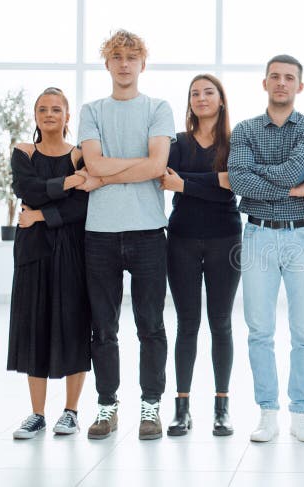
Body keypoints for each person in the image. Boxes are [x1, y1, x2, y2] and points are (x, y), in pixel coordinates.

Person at [76, 30, 175, 440]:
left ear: (142, 64)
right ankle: (106, 405)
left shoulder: (158, 107)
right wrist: (131, 166)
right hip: (99, 233)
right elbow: (93, 162)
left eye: (131, 56)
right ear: (107, 63)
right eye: (116, 56)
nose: (124, 63)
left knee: (150, 325)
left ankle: (150, 406)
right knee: (103, 327)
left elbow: (156, 167)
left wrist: (104, 172)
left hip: (149, 231)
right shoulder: (92, 109)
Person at [228, 54, 304, 443]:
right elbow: (237, 179)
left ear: (299, 86)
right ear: (264, 83)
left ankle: (300, 413)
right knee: (259, 330)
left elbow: (289, 170)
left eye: (289, 78)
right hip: (258, 236)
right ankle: (267, 412)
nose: (281, 83)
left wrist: (261, 176)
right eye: (275, 77)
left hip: (302, 237)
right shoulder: (245, 128)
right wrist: (288, 189)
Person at [160, 74, 241, 437]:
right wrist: (213, 180)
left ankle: (222, 408)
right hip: (181, 239)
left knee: (221, 322)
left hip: (226, 238)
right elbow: (170, 180)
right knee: (187, 324)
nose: (201, 98)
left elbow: (234, 184)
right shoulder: (176, 142)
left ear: (221, 100)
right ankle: (182, 408)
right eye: (195, 93)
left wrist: (186, 184)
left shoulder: (236, 141)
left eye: (209, 92)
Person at [8, 87, 90, 439]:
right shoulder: (23, 152)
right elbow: (27, 189)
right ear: (35, 116)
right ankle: (37, 414)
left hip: (70, 249)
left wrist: (41, 216)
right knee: (34, 327)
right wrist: (68, 183)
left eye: (57, 109)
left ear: (67, 116)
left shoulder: (79, 155)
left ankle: (70, 412)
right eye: (43, 109)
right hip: (32, 253)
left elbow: (82, 207)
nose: (49, 114)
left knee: (73, 324)